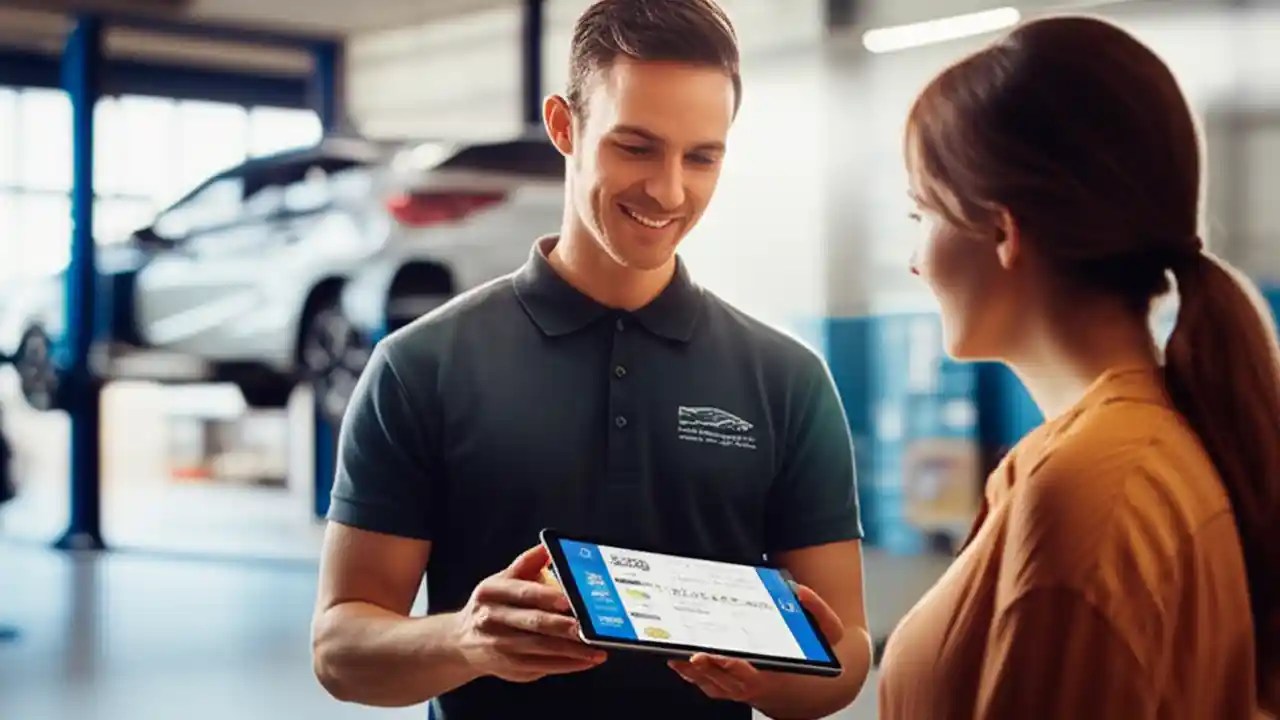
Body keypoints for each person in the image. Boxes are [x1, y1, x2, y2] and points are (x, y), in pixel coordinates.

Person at [310, 1, 872, 718]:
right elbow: (339, 648)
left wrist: (771, 676)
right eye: (635, 147)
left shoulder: (787, 380)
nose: (670, 191)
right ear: (564, 127)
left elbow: (848, 654)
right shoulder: (421, 366)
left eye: (702, 156)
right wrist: (466, 641)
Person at [878, 15, 1280, 720]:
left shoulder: (1092, 490)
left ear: (1003, 231)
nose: (914, 260)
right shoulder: (1125, 452)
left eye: (922, 214)